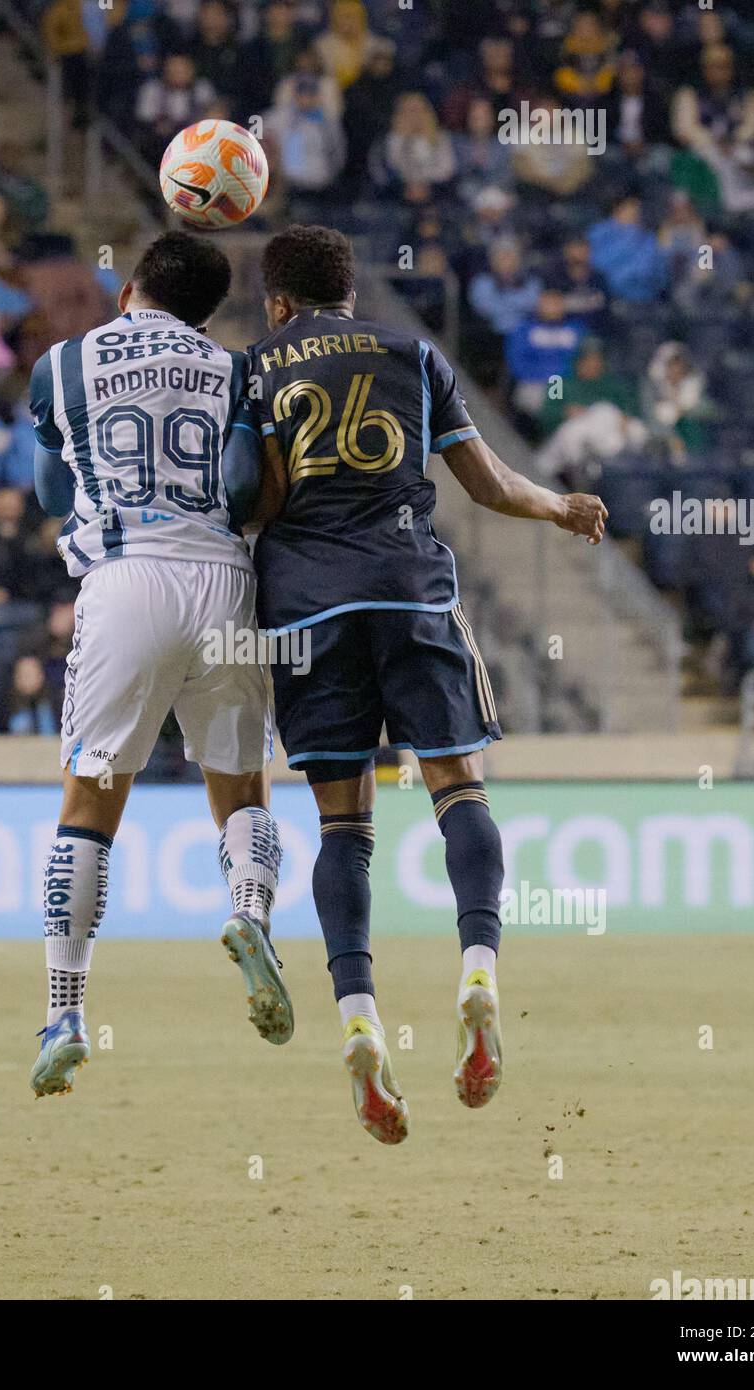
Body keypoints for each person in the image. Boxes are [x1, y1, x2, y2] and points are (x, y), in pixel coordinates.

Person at [246, 225, 606, 1143]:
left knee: (343, 825)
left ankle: (360, 1019)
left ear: (278, 303)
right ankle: (478, 969)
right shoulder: (411, 354)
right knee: (456, 786)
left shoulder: (255, 367)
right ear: (350, 295)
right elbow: (485, 487)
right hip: (410, 592)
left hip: (307, 611)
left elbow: (261, 498)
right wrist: (561, 506)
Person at [26, 231, 289, 1100]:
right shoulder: (238, 369)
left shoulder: (62, 364)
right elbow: (250, 484)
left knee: (90, 802)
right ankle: (249, 917)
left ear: (129, 285)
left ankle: (64, 1011)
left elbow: (45, 492)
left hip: (126, 577)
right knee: (242, 789)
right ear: (209, 311)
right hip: (223, 578)